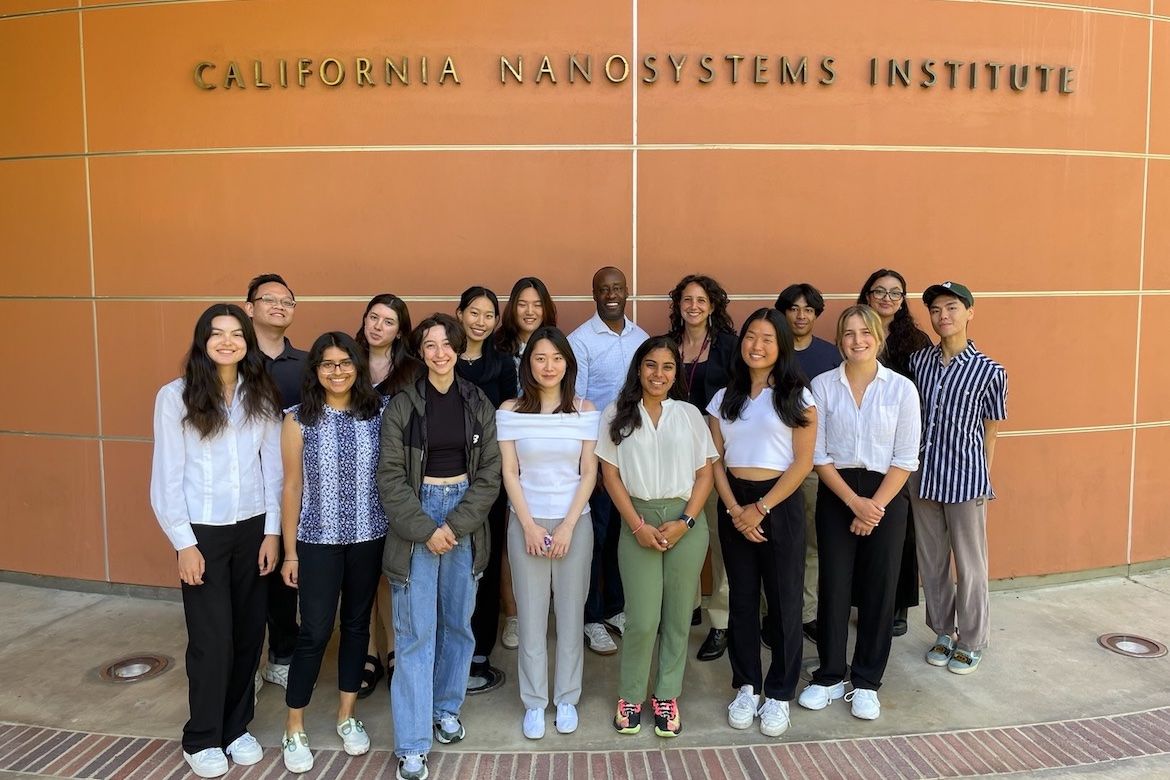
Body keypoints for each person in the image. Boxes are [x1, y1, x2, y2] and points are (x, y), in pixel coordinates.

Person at [150, 303, 283, 778]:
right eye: (217, 334)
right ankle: (202, 735)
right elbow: (167, 477)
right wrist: (183, 543)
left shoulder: (260, 394)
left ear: (247, 341)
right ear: (203, 341)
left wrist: (272, 533)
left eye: (236, 334)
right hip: (202, 533)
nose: (227, 341)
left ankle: (235, 727)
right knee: (212, 638)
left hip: (252, 528)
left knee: (249, 633)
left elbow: (274, 469)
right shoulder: (176, 397)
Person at [376, 313, 501, 780]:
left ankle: (446, 708)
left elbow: (490, 473)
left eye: (447, 344)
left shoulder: (477, 401)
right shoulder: (402, 405)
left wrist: (457, 522)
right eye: (430, 345)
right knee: (414, 633)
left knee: (457, 624)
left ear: (457, 347)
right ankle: (411, 743)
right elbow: (389, 477)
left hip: (464, 513)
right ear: (420, 353)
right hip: (417, 518)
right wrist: (427, 527)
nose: (440, 352)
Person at [797, 305, 921, 721]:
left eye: (864, 333)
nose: (857, 341)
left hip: (886, 494)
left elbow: (905, 458)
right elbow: (818, 454)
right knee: (833, 585)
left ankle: (867, 681)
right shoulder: (822, 386)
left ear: (878, 337)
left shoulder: (901, 389)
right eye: (848, 333)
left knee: (879, 590)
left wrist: (875, 507)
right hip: (839, 493)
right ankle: (830, 675)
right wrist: (854, 503)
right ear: (839, 340)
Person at [278, 333, 388, 773]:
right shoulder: (297, 419)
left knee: (357, 627)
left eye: (345, 363)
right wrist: (290, 553)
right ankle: (294, 726)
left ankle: (347, 716)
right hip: (317, 541)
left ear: (358, 368)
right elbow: (290, 487)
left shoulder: (378, 412)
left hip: (368, 536)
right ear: (315, 370)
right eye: (327, 364)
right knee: (315, 632)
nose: (337, 371)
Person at [598, 337, 717, 738]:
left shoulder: (688, 414)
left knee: (677, 617)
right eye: (650, 365)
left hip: (685, 522)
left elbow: (705, 474)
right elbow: (610, 475)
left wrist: (686, 520)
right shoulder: (617, 413)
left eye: (668, 367)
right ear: (638, 369)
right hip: (639, 521)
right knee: (643, 618)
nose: (658, 374)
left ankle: (666, 694)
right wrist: (635, 524)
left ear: (676, 374)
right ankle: (631, 694)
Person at [707, 308, 816, 738]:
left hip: (779, 504)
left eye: (768, 338)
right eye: (751, 336)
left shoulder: (797, 396)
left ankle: (779, 693)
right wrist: (736, 509)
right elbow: (714, 459)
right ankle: (747, 685)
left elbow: (802, 461)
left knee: (786, 600)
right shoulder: (725, 397)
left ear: (782, 345)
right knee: (743, 600)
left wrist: (762, 508)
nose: (757, 345)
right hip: (735, 502)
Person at [496, 326, 598, 739]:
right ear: (528, 364)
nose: (549, 366)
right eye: (540, 358)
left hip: (576, 521)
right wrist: (529, 525)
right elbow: (510, 472)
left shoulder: (584, 409)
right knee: (532, 616)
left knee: (572, 615)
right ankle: (535, 703)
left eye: (557, 359)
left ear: (567, 364)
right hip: (527, 523)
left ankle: (568, 697)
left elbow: (589, 471)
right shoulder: (510, 410)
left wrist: (570, 524)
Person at [908, 281, 1007, 676]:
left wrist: (983, 477)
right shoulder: (919, 363)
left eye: (951, 307)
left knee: (970, 564)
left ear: (969, 312)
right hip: (924, 477)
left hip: (966, 480)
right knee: (931, 562)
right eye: (935, 309)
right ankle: (943, 632)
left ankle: (972, 639)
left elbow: (992, 430)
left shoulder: (990, 371)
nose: (943, 316)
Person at [568, 266, 649, 656]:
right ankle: (591, 617)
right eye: (604, 289)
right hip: (600, 458)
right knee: (596, 539)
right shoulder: (580, 341)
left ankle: (616, 609)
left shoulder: (642, 339)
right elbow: (577, 406)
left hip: (634, 456)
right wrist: (591, 463)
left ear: (628, 291)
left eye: (618, 288)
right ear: (594, 293)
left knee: (623, 537)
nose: (612, 294)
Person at [856, 269, 932, 637]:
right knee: (858, 524)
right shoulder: (855, 333)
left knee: (899, 531)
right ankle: (861, 600)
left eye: (895, 292)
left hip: (899, 449)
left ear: (903, 300)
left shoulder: (914, 341)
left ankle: (897, 605)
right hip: (859, 450)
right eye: (879, 291)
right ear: (867, 295)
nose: (887, 298)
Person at [354, 293, 422, 698]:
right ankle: (366, 652)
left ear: (400, 330)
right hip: (355, 480)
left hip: (397, 480)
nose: (378, 326)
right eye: (373, 317)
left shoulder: (411, 371)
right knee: (360, 570)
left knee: (390, 567)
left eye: (388, 321)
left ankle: (393, 648)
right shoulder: (346, 360)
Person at [665, 274, 736, 662]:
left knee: (721, 539)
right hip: (677, 457)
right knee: (685, 532)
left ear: (712, 305)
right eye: (686, 299)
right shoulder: (669, 345)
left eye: (701, 299)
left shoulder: (728, 346)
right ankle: (687, 604)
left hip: (716, 455)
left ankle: (721, 620)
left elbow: (741, 395)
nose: (693, 305)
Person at [455, 286, 519, 694]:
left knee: (486, 564)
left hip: (490, 480)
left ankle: (480, 653)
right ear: (459, 314)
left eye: (488, 315)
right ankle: (453, 652)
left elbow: (511, 423)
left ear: (496, 322)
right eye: (473, 312)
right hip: (444, 479)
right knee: (452, 567)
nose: (480, 321)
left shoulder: (503, 366)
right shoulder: (441, 356)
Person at [244, 274, 306, 692]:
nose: (280, 306)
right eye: (270, 299)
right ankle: (246, 660)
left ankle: (282, 655)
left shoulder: (304, 365)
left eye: (287, 301)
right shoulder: (230, 357)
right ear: (250, 307)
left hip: (288, 485)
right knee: (245, 581)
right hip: (242, 489)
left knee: (286, 569)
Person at [775, 283, 843, 647]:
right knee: (774, 545)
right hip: (771, 470)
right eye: (793, 308)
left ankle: (807, 614)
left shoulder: (831, 356)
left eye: (808, 309)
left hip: (815, 468)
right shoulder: (769, 350)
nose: (800, 316)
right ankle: (773, 614)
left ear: (817, 315)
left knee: (812, 545)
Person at [493, 277, 558, 650]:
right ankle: (514, 613)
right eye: (522, 304)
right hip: (512, 449)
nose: (529, 311)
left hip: (553, 454)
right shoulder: (500, 349)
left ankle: (552, 611)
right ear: (512, 308)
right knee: (513, 529)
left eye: (536, 304)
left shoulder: (555, 344)